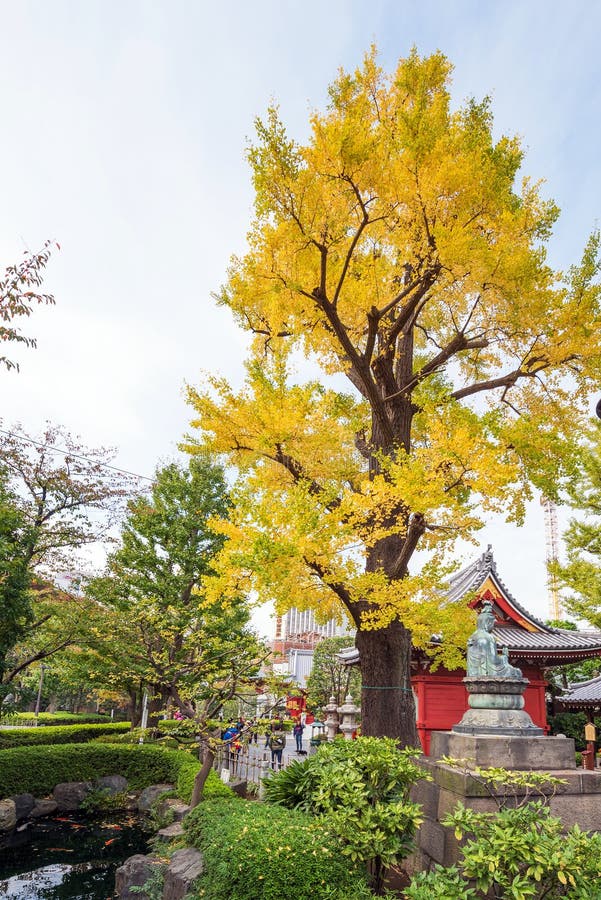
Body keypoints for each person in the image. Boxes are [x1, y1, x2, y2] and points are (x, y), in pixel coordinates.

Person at [466, 600, 522, 678]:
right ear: (487, 623)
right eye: (492, 623)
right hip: (489, 675)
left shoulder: (472, 637)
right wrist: (504, 657)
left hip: (473, 675)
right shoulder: (488, 638)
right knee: (516, 672)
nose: (492, 626)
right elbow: (493, 660)